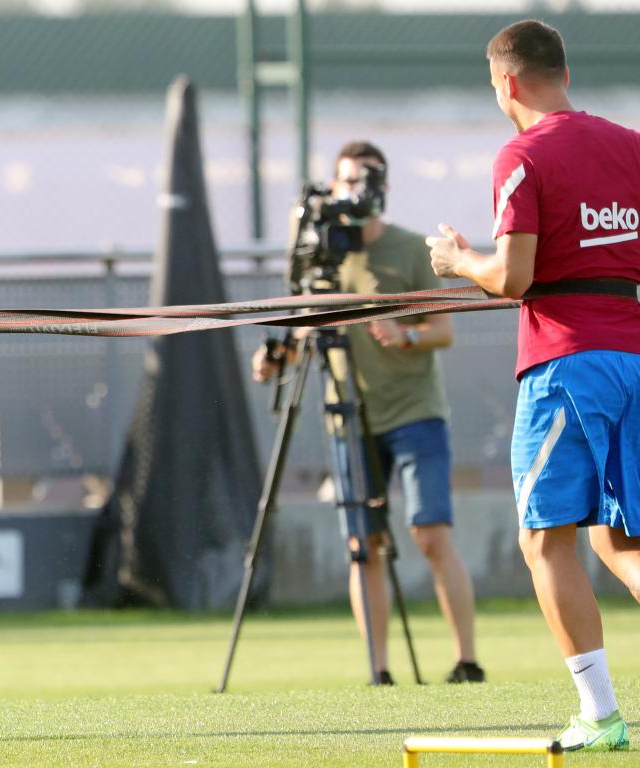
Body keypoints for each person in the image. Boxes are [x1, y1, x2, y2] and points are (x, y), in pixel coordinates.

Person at [427, 19, 640, 752]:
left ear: (507, 82)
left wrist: (458, 261)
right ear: (563, 73)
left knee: (544, 541)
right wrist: (610, 251)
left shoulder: (521, 155)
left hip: (567, 363)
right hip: (639, 362)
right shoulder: (635, 146)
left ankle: (600, 716)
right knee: (623, 538)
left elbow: (512, 278)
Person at [253, 140, 483, 686]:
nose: (353, 191)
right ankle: (379, 670)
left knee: (430, 534)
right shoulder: (320, 254)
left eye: (364, 180)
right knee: (364, 545)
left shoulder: (408, 248)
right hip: (348, 418)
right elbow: (304, 326)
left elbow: (443, 330)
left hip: (414, 411)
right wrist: (277, 355)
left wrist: (404, 334)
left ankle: (467, 661)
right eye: (346, 180)